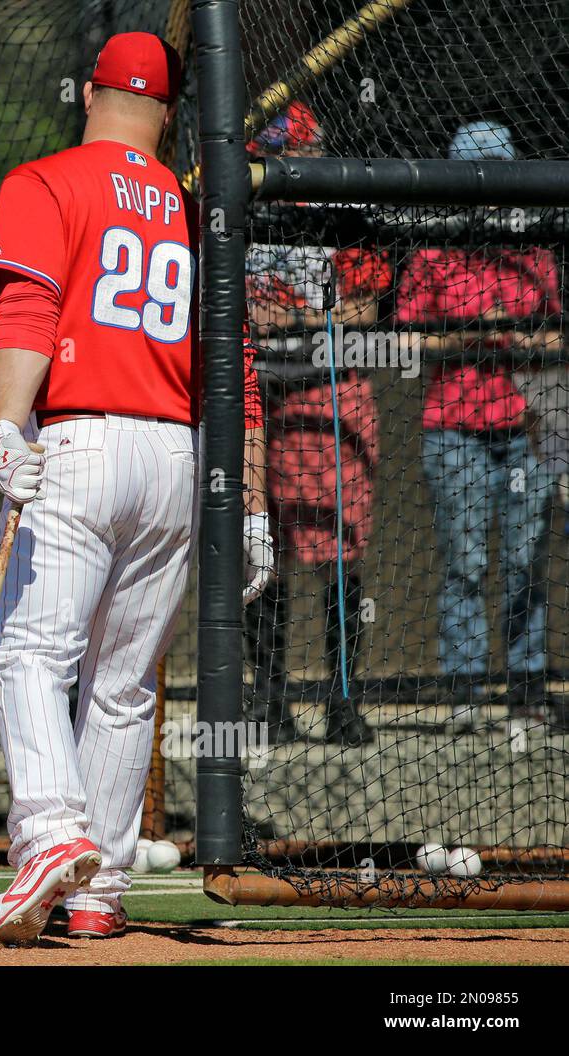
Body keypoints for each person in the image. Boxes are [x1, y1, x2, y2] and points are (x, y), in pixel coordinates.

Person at [0, 32, 268, 945]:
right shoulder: (194, 204)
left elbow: (29, 308)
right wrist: (252, 499)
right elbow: (238, 360)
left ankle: (54, 835)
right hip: (178, 458)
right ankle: (100, 890)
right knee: (124, 683)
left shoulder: (46, 180)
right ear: (170, 113)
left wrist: (7, 422)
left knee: (28, 656)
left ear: (90, 92)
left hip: (82, 439)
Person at [398, 121, 562, 728]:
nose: (490, 191)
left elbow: (553, 333)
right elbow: (410, 343)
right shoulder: (435, 252)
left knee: (525, 561)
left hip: (524, 429)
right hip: (453, 428)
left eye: (500, 176)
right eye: (477, 177)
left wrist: (523, 337)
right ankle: (465, 695)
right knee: (465, 564)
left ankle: (525, 693)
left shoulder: (533, 251)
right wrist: (475, 331)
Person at [243, 101, 384, 746]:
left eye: (308, 151)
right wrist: (255, 314)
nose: (302, 163)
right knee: (260, 555)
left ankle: (342, 702)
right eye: (289, 152)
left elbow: (361, 312)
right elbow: (223, 295)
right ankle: (270, 703)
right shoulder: (239, 214)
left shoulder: (341, 212)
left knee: (337, 558)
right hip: (256, 400)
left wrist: (298, 323)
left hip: (331, 396)